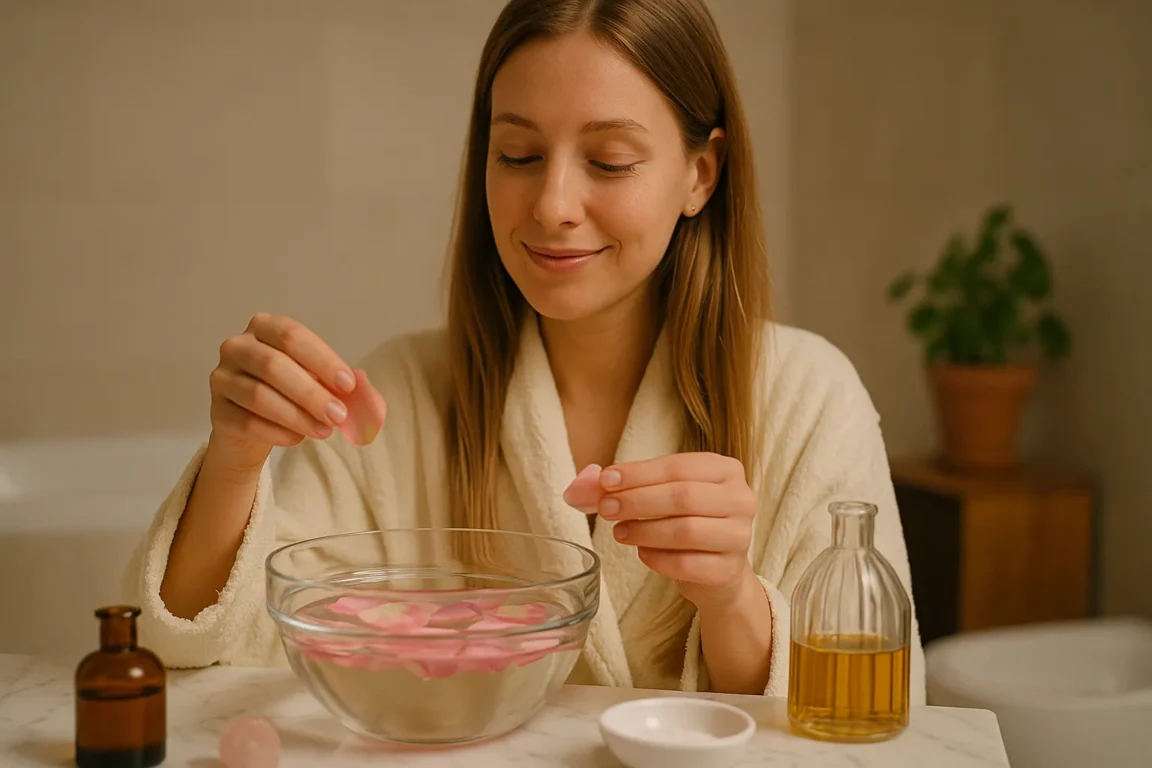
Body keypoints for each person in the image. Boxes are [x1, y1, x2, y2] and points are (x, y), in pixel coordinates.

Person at [123, 0, 926, 701]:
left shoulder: (811, 399)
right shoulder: (403, 398)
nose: (552, 205)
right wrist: (235, 458)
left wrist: (731, 600)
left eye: (609, 161)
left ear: (701, 174)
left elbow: (881, 720)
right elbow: (210, 659)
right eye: (518, 155)